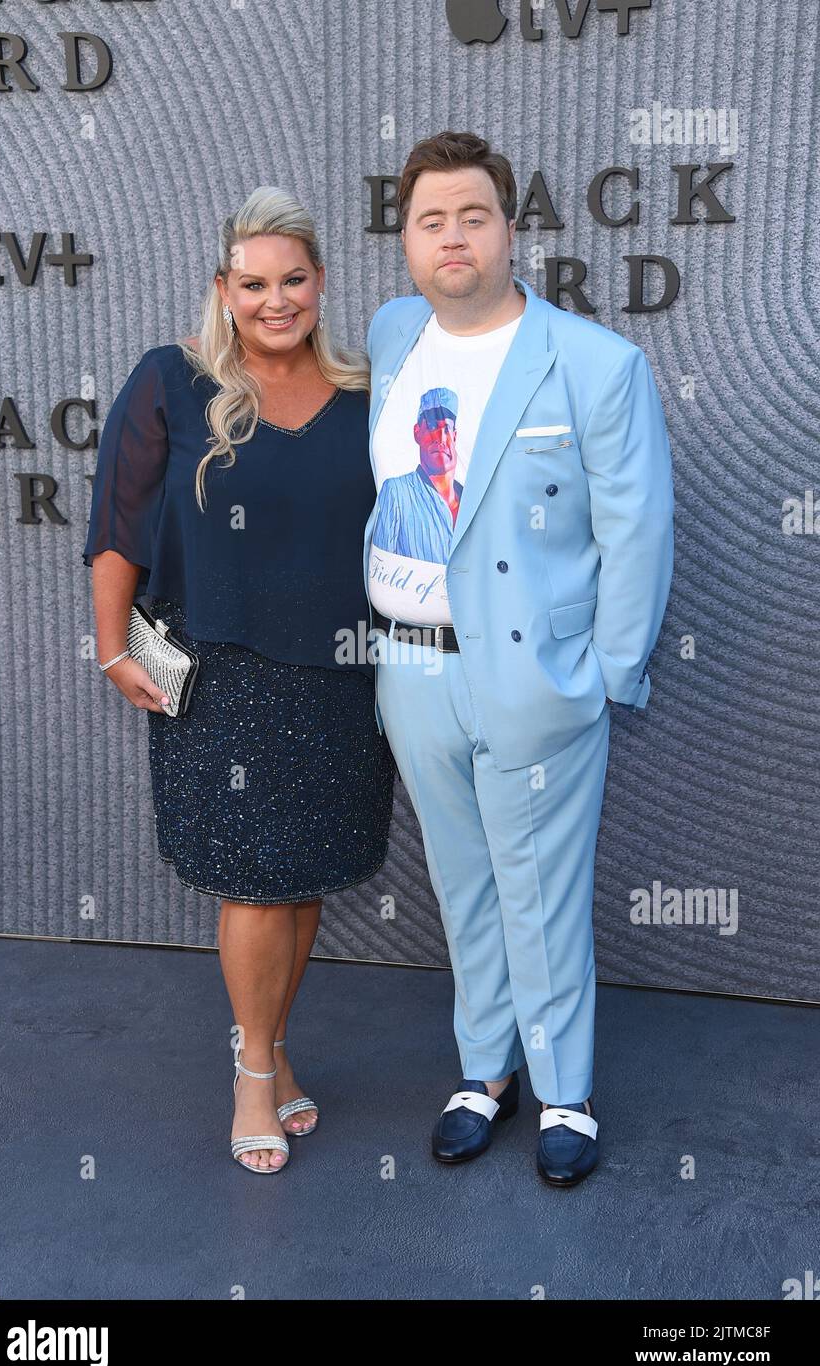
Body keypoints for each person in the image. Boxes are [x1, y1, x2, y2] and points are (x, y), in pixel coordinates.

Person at [364, 131, 674, 1186]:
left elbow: (637, 530)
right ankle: (481, 1070)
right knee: (463, 885)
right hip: (410, 673)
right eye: (428, 220)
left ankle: (565, 1091)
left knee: (537, 889)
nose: (451, 237)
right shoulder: (394, 334)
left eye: (472, 215)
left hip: (530, 678)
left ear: (510, 228)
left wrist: (600, 676)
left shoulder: (593, 364)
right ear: (405, 242)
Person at [83, 187, 396, 1176]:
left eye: (292, 279)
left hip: (344, 678)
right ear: (223, 289)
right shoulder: (170, 382)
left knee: (301, 886)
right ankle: (253, 1069)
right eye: (252, 283)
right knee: (257, 886)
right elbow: (116, 524)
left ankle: (270, 1042)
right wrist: (110, 646)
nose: (274, 300)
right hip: (224, 679)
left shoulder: (367, 389)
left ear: (319, 282)